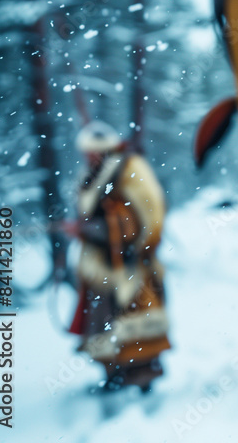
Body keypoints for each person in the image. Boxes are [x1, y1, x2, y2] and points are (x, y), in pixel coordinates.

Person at [66, 121, 170, 392]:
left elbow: (141, 217)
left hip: (128, 263)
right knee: (105, 322)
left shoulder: (128, 170)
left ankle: (141, 377)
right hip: (102, 264)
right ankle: (115, 372)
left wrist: (89, 230)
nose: (88, 157)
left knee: (135, 324)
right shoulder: (96, 173)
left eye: (92, 152)